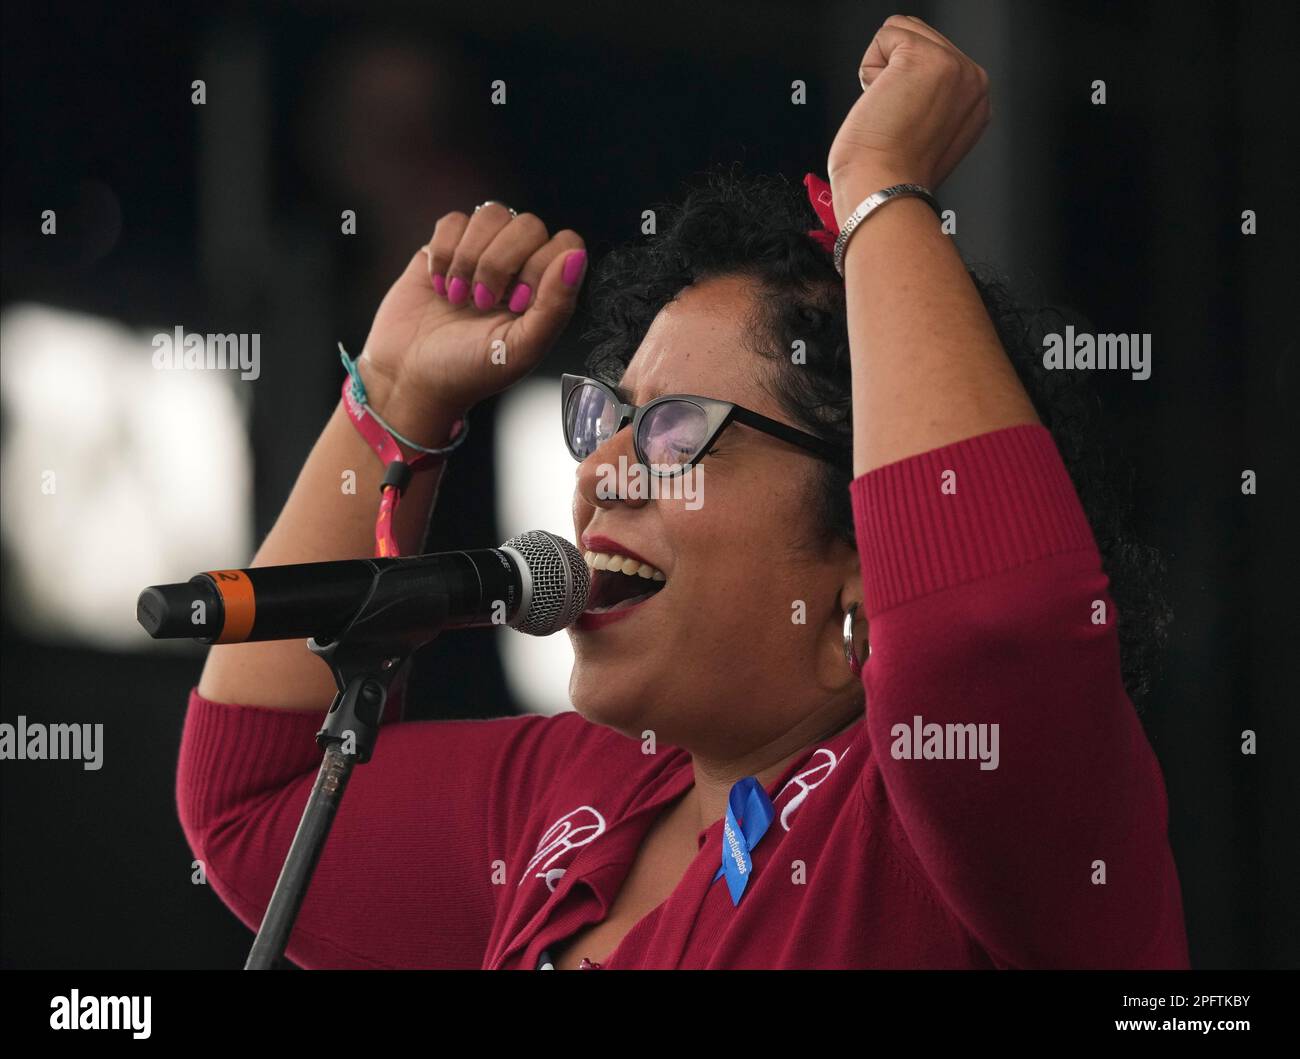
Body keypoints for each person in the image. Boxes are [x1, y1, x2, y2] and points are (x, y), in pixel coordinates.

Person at [177, 15, 1189, 969]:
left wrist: (882, 192)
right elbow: (263, 807)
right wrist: (391, 401)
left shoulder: (966, 815)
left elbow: (987, 626)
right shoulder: (577, 795)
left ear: (863, 570)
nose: (597, 469)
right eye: (608, 417)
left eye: (674, 431)